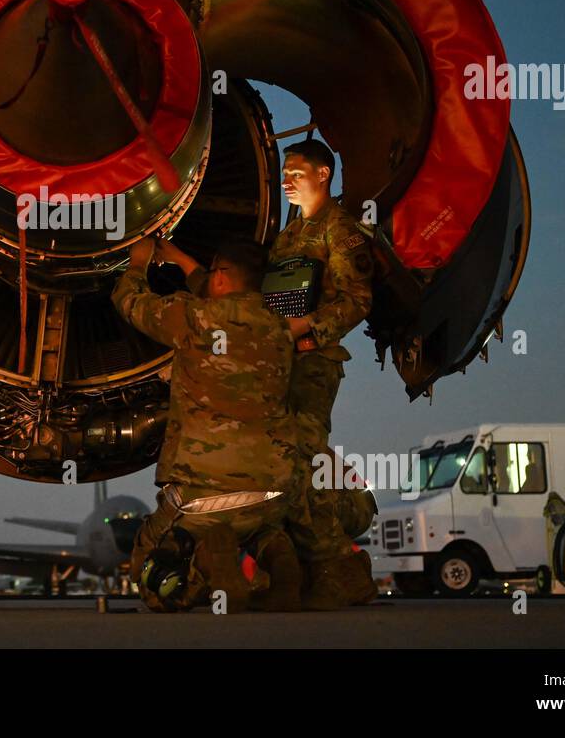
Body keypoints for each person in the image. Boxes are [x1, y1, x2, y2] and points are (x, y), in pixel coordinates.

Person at [155, 137, 378, 609]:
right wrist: (181, 263)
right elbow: (251, 295)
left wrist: (305, 328)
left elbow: (358, 301)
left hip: (313, 362)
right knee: (281, 465)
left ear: (324, 174)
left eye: (297, 171)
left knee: (300, 461)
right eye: (285, 172)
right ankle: (303, 569)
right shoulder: (290, 236)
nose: (287, 179)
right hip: (280, 362)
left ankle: (341, 566)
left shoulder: (341, 232)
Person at [111, 237, 307, 612]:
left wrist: (137, 264)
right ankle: (279, 560)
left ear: (220, 277)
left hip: (204, 496)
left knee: (151, 580)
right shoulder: (280, 330)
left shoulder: (193, 317)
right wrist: (185, 262)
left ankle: (208, 562)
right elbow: (224, 296)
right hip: (274, 494)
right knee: (256, 525)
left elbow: (129, 302)